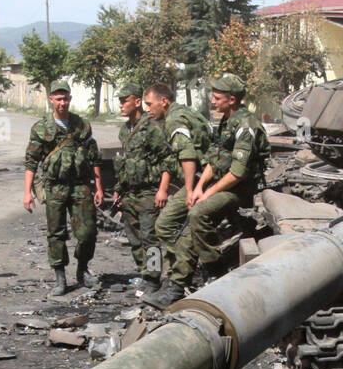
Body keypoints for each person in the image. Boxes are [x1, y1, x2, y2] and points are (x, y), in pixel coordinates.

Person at [164, 74, 269, 308]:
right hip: (224, 183)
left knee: (198, 214)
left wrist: (207, 195)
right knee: (191, 217)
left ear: (232, 100)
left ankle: (215, 269)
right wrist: (198, 188)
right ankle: (178, 281)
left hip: (240, 189)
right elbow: (215, 159)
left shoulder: (245, 126)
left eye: (218, 97)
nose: (213, 101)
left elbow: (238, 173)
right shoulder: (226, 122)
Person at [23, 79, 104, 295]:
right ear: (51, 100)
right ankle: (60, 278)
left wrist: (98, 186)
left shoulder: (82, 125)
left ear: (70, 99)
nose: (62, 103)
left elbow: (94, 157)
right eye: (58, 99)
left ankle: (82, 269)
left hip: (80, 186)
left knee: (87, 233)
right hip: (55, 186)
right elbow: (31, 161)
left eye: (66, 98)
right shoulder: (41, 128)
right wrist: (27, 193)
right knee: (55, 234)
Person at [144, 82, 212, 301]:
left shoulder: (174, 119)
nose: (148, 109)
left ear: (164, 101)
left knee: (164, 226)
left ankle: (180, 276)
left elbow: (188, 154)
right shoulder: (185, 112)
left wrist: (192, 190)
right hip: (203, 176)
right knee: (172, 228)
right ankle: (179, 274)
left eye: (149, 104)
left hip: (199, 179)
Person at [110, 82, 175, 286]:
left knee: (150, 239)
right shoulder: (124, 130)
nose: (120, 105)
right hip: (129, 193)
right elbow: (126, 162)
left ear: (137, 102)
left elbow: (168, 160)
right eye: (119, 101)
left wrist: (163, 190)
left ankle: (153, 279)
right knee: (134, 238)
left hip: (149, 192)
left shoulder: (152, 127)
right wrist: (118, 190)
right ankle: (144, 272)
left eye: (124, 101)